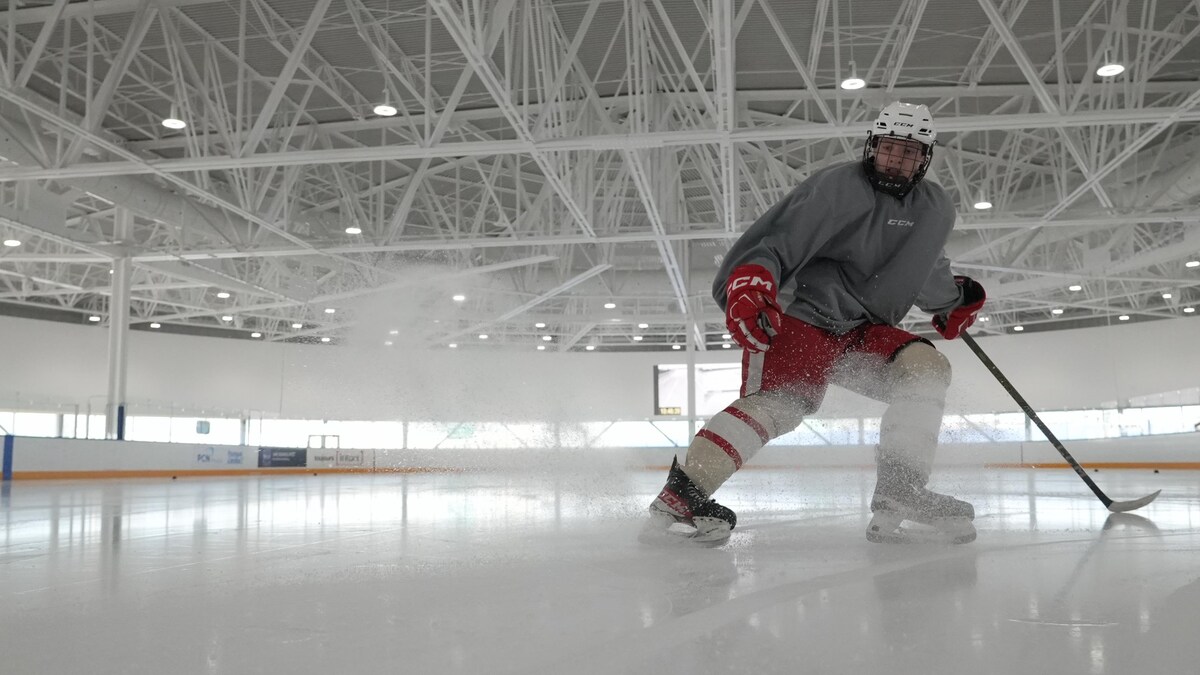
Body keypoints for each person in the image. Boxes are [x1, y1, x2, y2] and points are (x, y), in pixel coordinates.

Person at [642, 102, 986, 545]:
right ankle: (682, 498)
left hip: (864, 327)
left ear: (925, 158)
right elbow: (776, 241)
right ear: (873, 146)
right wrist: (752, 285)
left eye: (909, 152)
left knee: (926, 369)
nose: (896, 159)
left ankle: (901, 492)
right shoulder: (837, 187)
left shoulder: (936, 208)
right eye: (888, 148)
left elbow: (926, 266)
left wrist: (953, 299)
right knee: (782, 404)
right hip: (803, 314)